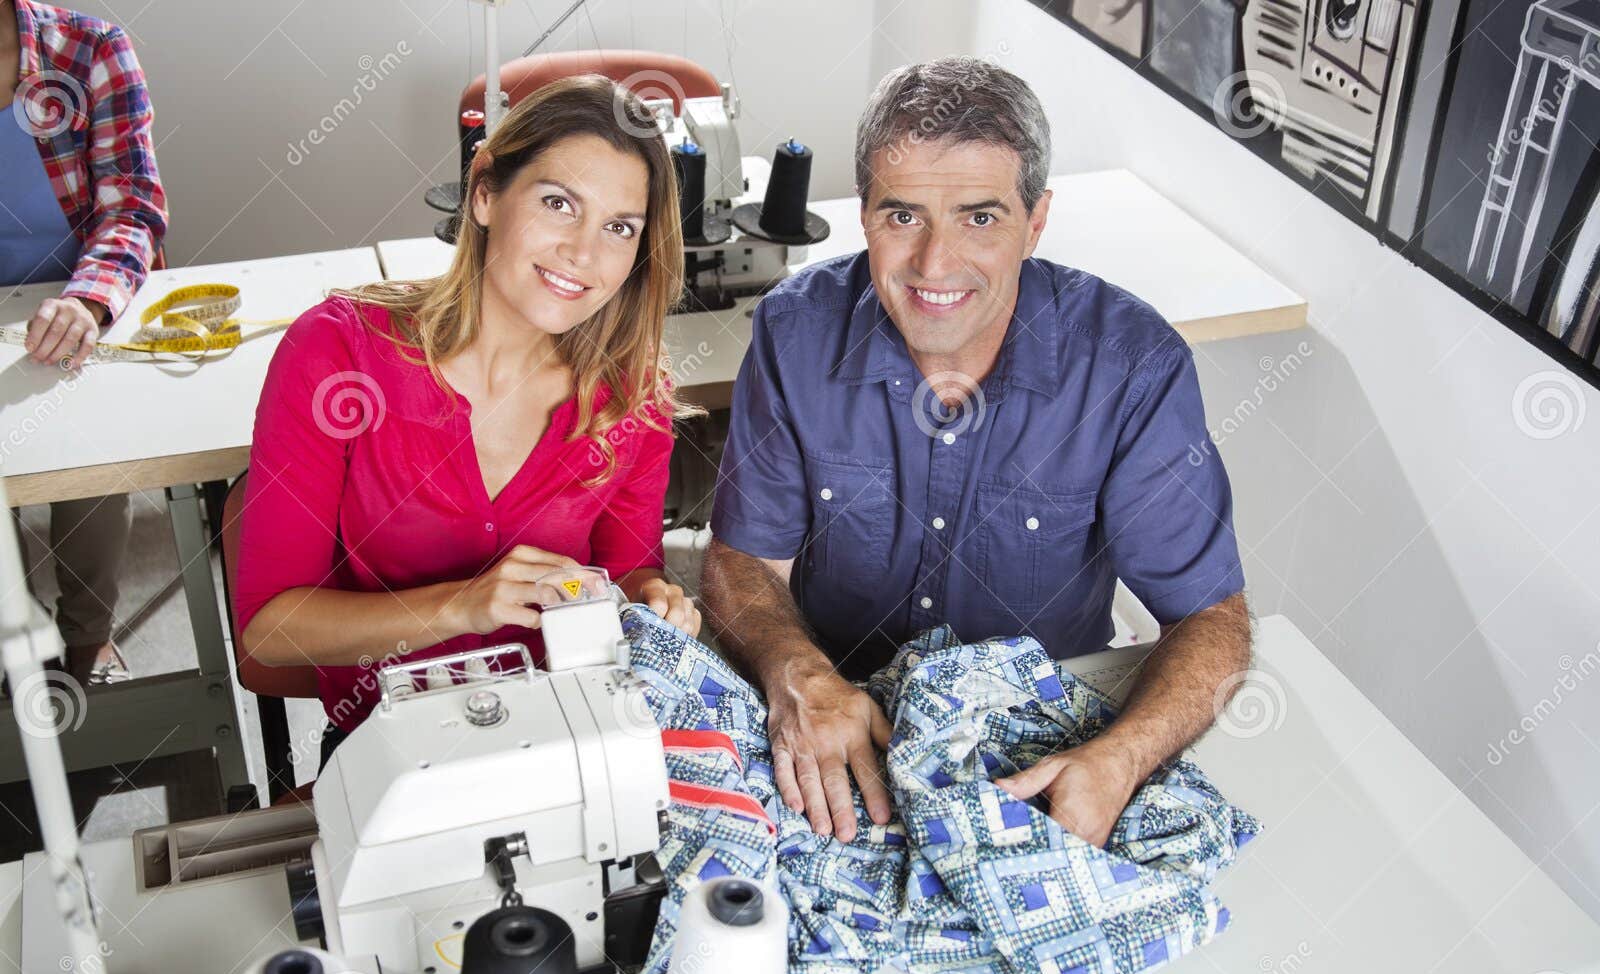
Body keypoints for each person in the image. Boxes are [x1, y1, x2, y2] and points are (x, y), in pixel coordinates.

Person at [701, 57, 1252, 848]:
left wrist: (1119, 758)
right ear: (863, 214)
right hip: (835, 719)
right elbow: (741, 559)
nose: (935, 264)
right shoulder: (795, 332)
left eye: (980, 218)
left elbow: (1211, 616)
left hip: (1044, 742)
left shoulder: (1133, 365)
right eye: (904, 216)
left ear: (1038, 220)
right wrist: (796, 671)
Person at [236, 75, 700, 769]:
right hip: (389, 745)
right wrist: (462, 605)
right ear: (484, 192)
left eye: (619, 227)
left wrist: (653, 599)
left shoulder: (632, 397)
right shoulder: (339, 356)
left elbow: (624, 573)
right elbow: (271, 632)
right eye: (557, 203)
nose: (584, 254)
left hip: (565, 732)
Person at [0, 0, 167, 686]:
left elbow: (133, 205)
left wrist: (88, 302)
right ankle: (17, 629)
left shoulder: (92, 49)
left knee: (89, 457)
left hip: (84, 298)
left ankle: (87, 636)